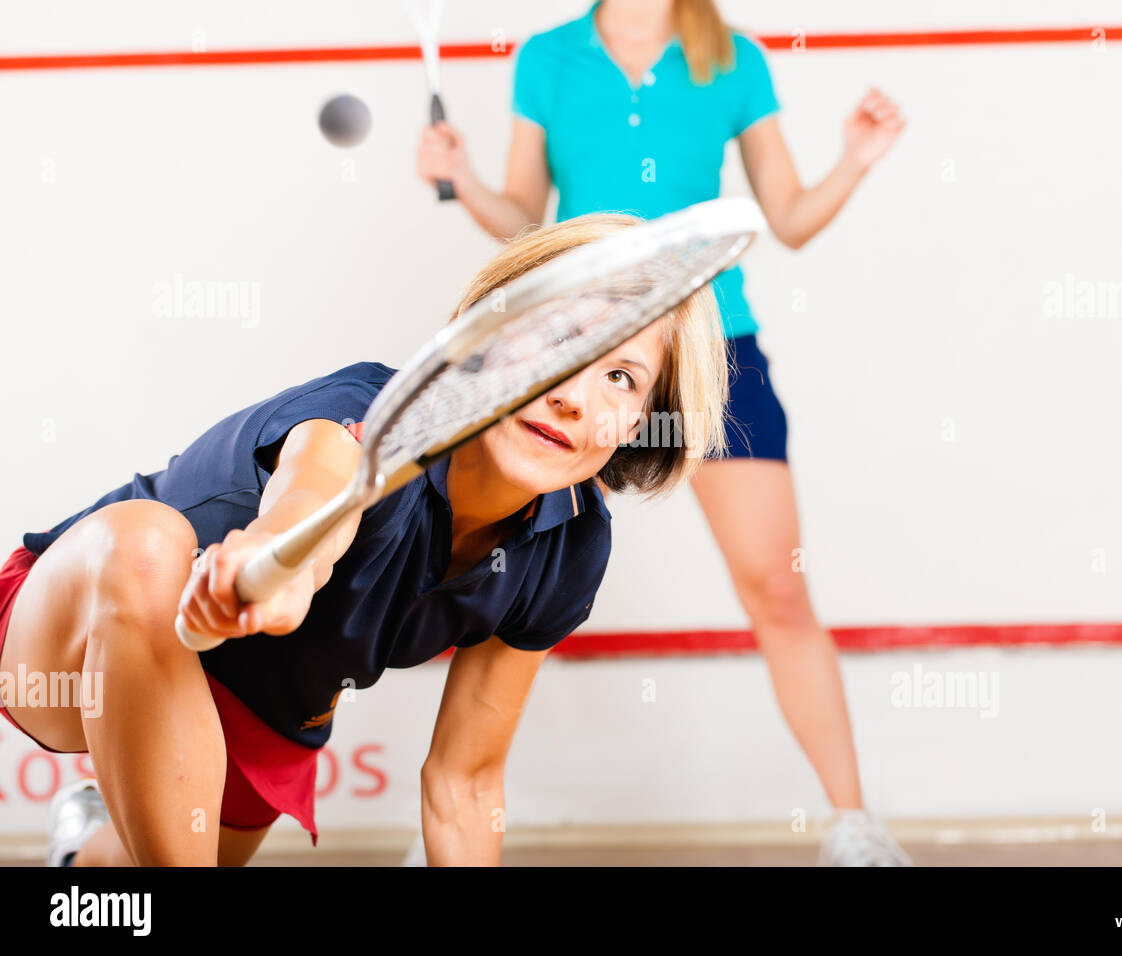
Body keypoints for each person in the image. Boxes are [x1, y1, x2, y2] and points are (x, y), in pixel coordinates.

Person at [0, 212, 729, 866]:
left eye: (622, 378)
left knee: (113, 896)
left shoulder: (570, 549)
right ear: (491, 332)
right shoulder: (374, 415)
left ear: (636, 426)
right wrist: (280, 564)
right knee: (149, 548)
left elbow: (465, 782)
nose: (576, 393)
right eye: (561, 339)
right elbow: (313, 497)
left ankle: (83, 849)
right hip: (80, 632)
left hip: (263, 716)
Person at [417, 0, 910, 864]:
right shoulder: (547, 58)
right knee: (511, 581)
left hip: (718, 350)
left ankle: (853, 830)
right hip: (578, 356)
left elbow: (786, 216)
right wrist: (460, 179)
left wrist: (856, 162)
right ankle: (448, 827)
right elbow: (526, 218)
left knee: (780, 592)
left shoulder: (736, 59)